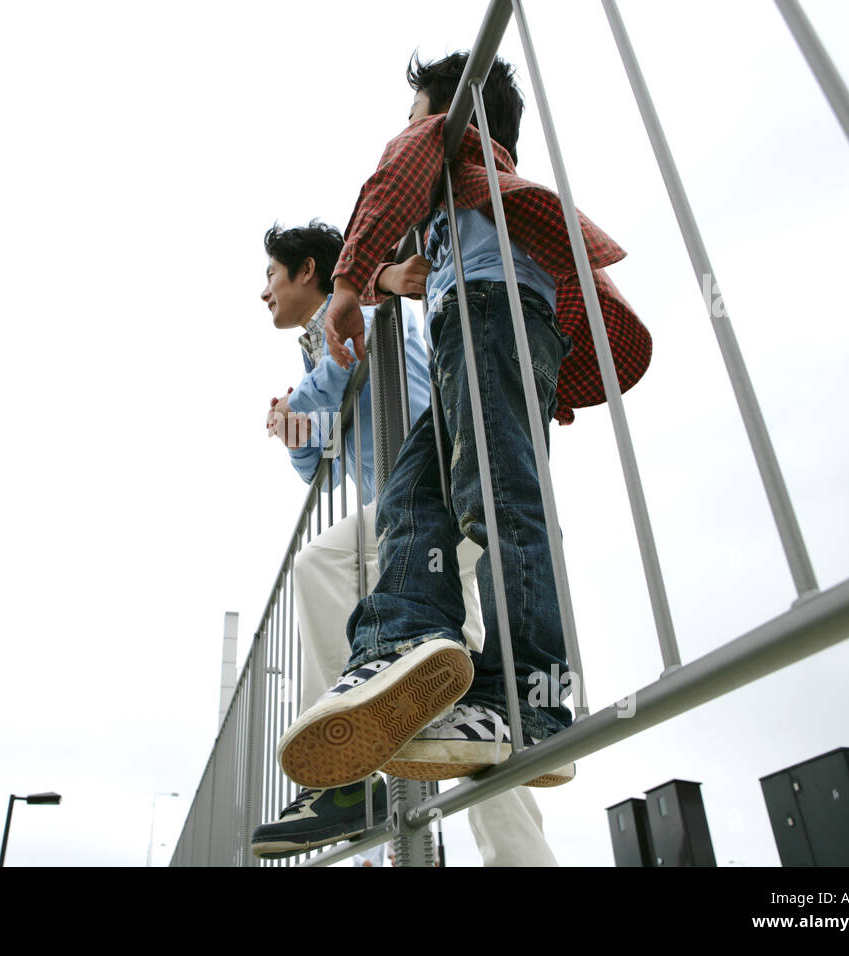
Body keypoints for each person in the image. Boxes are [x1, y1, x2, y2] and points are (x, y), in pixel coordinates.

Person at [277, 52, 651, 793]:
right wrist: (383, 278)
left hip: (485, 320)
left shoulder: (454, 147)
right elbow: (420, 256)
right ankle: (406, 637)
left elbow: (393, 180)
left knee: (501, 495)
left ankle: (532, 693)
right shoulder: (466, 204)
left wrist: (348, 283)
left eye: (414, 116)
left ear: (447, 117)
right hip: (472, 331)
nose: (410, 129)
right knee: (413, 497)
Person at [250, 220, 559, 866]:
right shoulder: (323, 341)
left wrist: (291, 412)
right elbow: (315, 464)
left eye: (271, 276)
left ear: (308, 270)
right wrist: (295, 423)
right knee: (467, 699)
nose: (264, 292)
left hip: (434, 490)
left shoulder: (359, 303)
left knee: (320, 565)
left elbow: (326, 393)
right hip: (404, 521)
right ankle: (523, 857)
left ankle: (346, 777)